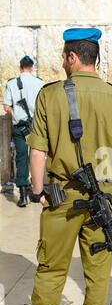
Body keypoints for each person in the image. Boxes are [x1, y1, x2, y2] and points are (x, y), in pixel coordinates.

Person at [26, 28, 112, 305]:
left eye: (63, 56)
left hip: (60, 197)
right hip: (104, 197)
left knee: (51, 266)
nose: (62, 62)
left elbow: (38, 152)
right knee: (98, 269)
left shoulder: (49, 95)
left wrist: (39, 191)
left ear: (72, 57)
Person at [3, 56, 44, 207]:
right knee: (38, 157)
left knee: (21, 158)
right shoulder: (40, 83)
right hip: (37, 127)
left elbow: (7, 106)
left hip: (20, 127)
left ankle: (22, 196)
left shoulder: (12, 83)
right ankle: (37, 193)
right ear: (32, 68)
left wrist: (14, 116)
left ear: (20, 68)